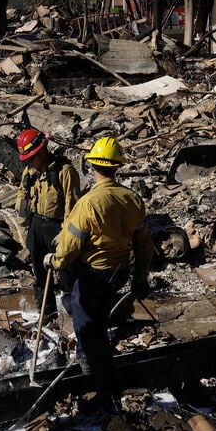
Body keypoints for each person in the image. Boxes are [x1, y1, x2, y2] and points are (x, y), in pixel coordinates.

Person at [45, 136, 154, 407]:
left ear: (91, 166)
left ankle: (92, 373)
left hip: (95, 273)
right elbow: (144, 245)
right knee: (99, 319)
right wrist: (140, 279)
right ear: (117, 166)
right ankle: (106, 371)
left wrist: (54, 261)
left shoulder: (89, 203)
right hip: (120, 272)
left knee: (85, 320)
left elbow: (70, 247)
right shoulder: (132, 199)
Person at [14, 128, 79, 320]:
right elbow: (22, 193)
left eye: (31, 157)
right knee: (39, 271)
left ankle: (77, 311)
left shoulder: (64, 172)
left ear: (42, 151)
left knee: (67, 270)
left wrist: (65, 234)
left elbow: (73, 207)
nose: (29, 162)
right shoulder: (29, 172)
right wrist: (22, 212)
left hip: (57, 226)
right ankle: (47, 312)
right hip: (36, 224)